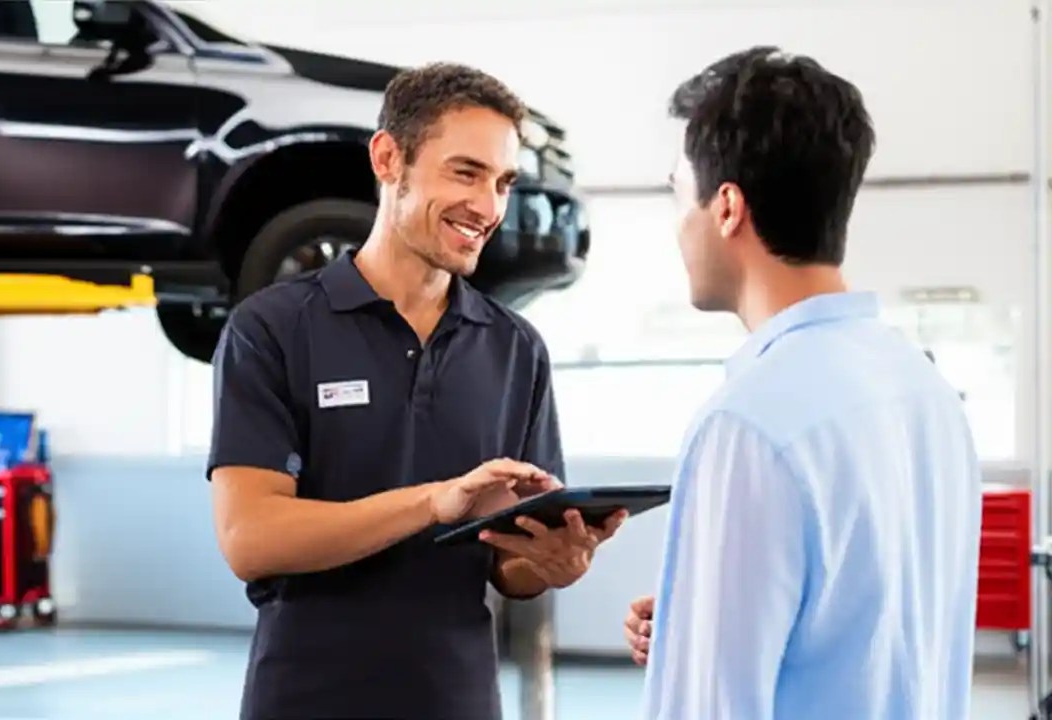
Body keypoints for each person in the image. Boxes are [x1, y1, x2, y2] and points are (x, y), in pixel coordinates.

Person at [207, 62, 627, 720]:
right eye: (465, 173)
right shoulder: (272, 329)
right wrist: (434, 501)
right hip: (305, 700)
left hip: (458, 699)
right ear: (388, 158)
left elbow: (507, 565)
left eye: (502, 182)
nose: (488, 207)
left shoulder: (515, 349)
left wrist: (554, 562)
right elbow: (250, 537)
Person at [623, 46, 983, 719]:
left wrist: (702, 655)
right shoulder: (924, 390)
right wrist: (700, 625)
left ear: (726, 206)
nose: (679, 229)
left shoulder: (747, 424)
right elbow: (874, 629)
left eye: (679, 196)